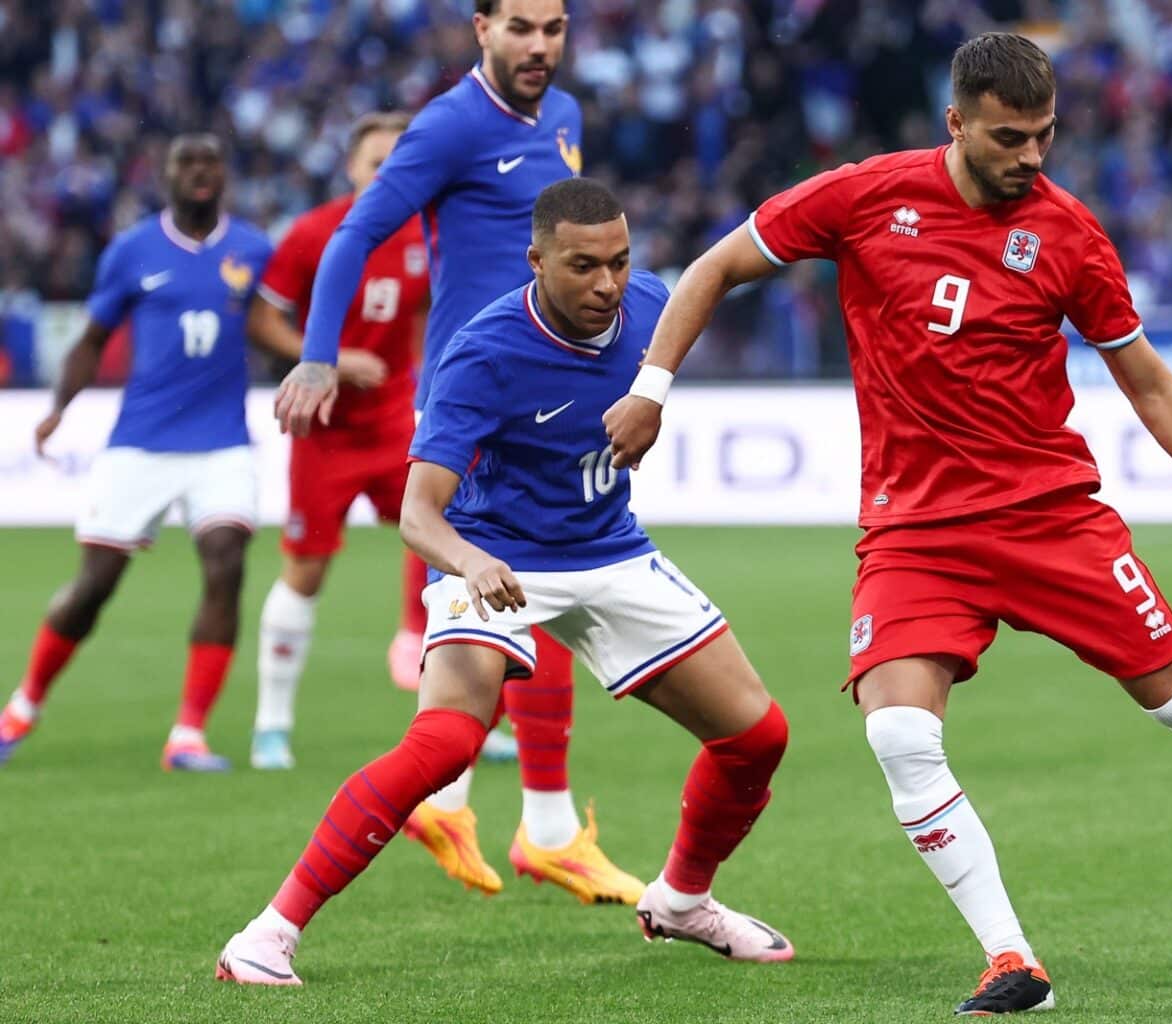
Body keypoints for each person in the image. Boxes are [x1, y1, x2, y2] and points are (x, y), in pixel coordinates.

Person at [603, 32, 1172, 1016]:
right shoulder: (864, 196)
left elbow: (1151, 384)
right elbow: (710, 270)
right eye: (1009, 138)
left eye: (1042, 136)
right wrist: (653, 388)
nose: (1031, 157)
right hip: (916, 535)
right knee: (900, 731)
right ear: (956, 123)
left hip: (1050, 520)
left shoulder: (1070, 235)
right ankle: (1012, 961)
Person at [217, 179, 794, 985]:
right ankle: (268, 933)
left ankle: (682, 901)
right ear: (537, 261)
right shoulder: (485, 353)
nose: (608, 285)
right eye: (584, 266)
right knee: (448, 741)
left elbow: (706, 286)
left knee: (757, 737)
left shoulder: (653, 304)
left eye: (621, 263)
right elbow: (419, 515)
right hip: (494, 554)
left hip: (609, 549)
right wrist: (470, 561)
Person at [270, 0, 638, 902]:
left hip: (550, 398)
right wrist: (318, 353)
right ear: (481, 29)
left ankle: (511, 816)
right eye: (520, 27)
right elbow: (356, 231)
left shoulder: (564, 118)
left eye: (553, 28)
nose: (539, 45)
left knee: (537, 592)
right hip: (476, 405)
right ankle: (513, 818)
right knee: (528, 584)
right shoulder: (449, 126)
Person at [0, 135, 273, 772]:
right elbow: (93, 338)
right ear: (165, 175)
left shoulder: (255, 249)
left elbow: (276, 325)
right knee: (94, 586)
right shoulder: (132, 251)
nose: (201, 173)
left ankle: (188, 735)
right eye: (187, 164)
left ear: (224, 175)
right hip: (140, 443)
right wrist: (59, 407)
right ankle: (23, 705)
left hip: (223, 441)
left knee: (226, 562)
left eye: (212, 163)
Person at [244, 111, 434, 772]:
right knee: (306, 570)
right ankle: (271, 726)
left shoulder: (424, 233)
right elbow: (263, 320)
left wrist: (421, 389)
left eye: (396, 162)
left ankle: (454, 712)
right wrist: (327, 356)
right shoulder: (313, 234)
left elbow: (427, 315)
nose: (385, 174)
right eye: (374, 163)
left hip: (392, 425)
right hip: (323, 434)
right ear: (352, 169)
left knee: (446, 536)